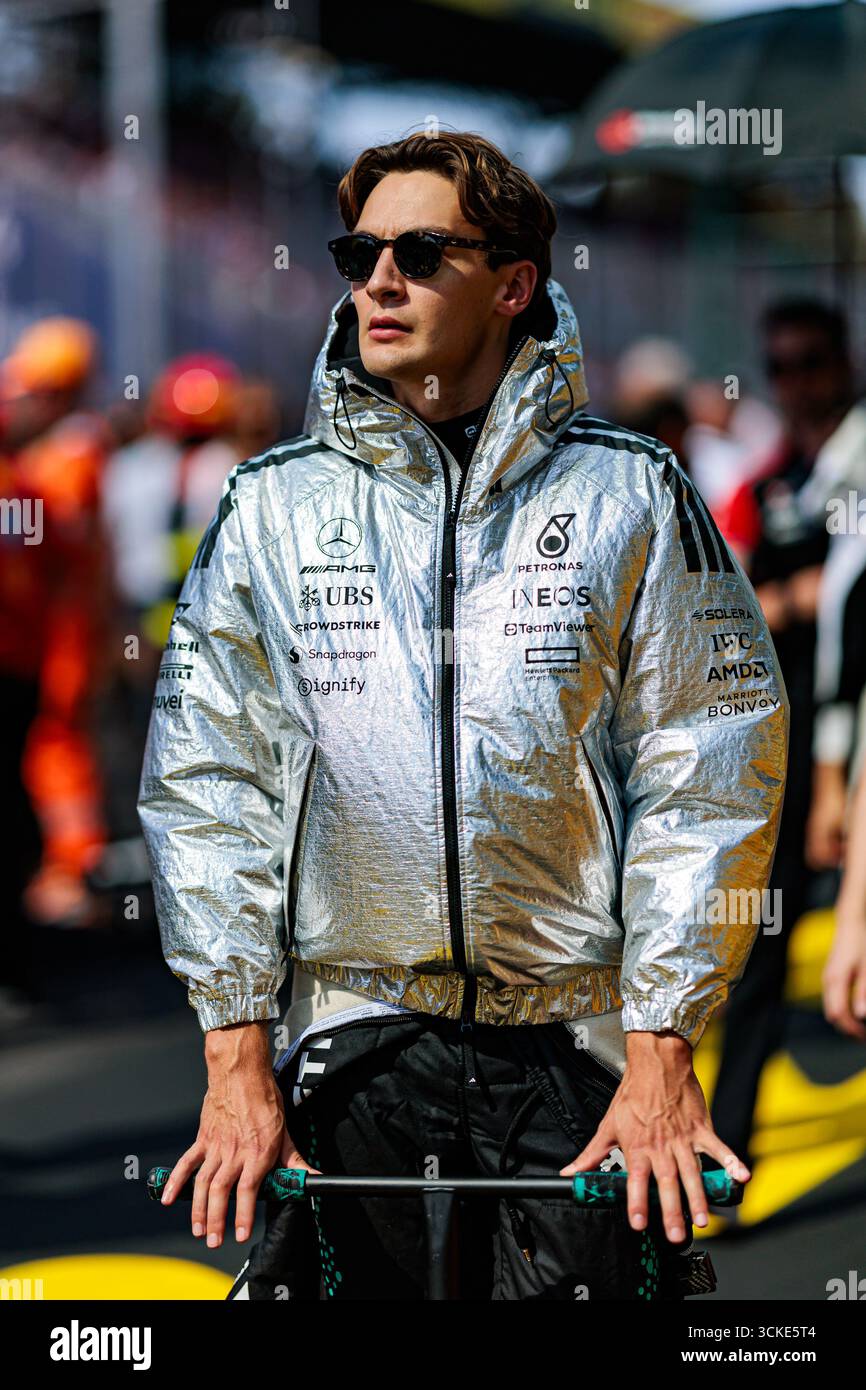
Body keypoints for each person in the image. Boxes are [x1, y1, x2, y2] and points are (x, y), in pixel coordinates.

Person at [138, 131, 788, 1300]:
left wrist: (663, 1045)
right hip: (351, 1047)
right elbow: (208, 784)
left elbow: (709, 770)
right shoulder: (270, 507)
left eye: (418, 251)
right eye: (358, 251)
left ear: (511, 283)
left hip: (580, 1056)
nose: (376, 280)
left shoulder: (631, 491)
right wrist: (234, 1054)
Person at [712, 300, 857, 1178]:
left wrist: (798, 599)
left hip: (851, 735)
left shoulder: (858, 465)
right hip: (792, 750)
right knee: (759, 954)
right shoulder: (772, 479)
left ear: (845, 359)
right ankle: (725, 1155)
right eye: (780, 366)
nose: (796, 382)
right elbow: (730, 603)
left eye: (811, 361)